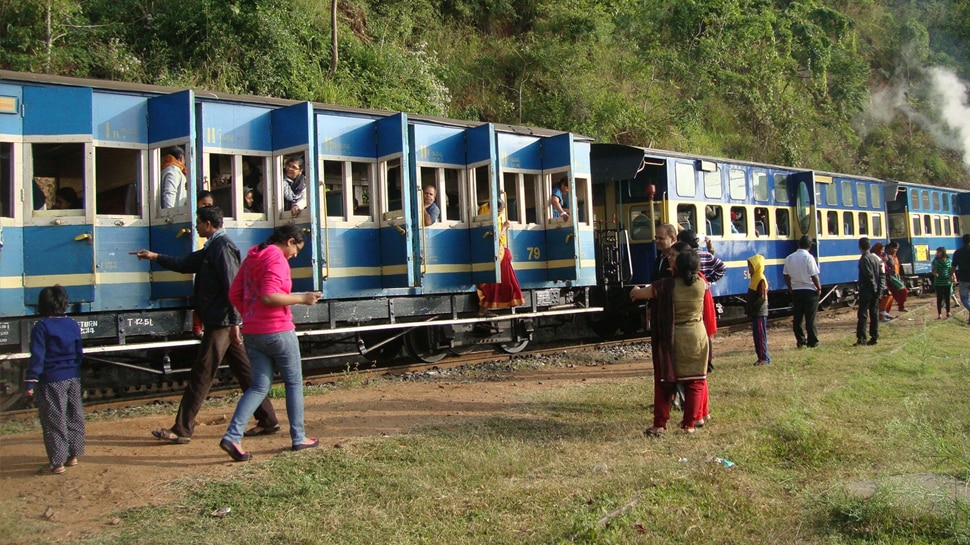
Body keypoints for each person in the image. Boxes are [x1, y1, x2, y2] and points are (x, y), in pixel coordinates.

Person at [132, 206, 279, 444]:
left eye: (199, 223)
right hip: (222, 319)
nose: (197, 227)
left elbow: (232, 287)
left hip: (221, 321)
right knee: (245, 372)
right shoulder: (213, 246)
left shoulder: (222, 248)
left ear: (209, 224)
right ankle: (268, 419)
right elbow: (186, 263)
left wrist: (234, 322)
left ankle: (182, 429)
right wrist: (154, 256)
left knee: (202, 373)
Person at [220, 224, 323, 461]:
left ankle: (232, 436)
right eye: (297, 248)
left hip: (253, 331)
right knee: (294, 383)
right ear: (288, 241)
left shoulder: (253, 255)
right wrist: (302, 298)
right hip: (278, 329)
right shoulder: (277, 259)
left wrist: (251, 315)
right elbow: (269, 295)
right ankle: (299, 438)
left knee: (258, 387)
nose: (296, 254)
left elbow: (234, 294)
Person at [630, 244, 708, 436]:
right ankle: (690, 424)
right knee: (695, 382)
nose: (669, 259)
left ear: (679, 265)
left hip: (672, 340)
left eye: (673, 258)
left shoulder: (666, 285)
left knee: (665, 382)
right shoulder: (701, 284)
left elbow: (638, 294)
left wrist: (636, 289)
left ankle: (659, 424)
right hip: (697, 337)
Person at [24, 285, 85, 474]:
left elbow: (38, 356)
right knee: (74, 415)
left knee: (54, 418)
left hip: (51, 379)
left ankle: (57, 462)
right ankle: (73, 455)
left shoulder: (41, 327)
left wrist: (30, 381)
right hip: (72, 377)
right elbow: (79, 352)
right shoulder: (73, 324)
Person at [477, 198, 523, 317]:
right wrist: (504, 227)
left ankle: (486, 307)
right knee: (492, 281)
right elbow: (494, 236)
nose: (500, 213)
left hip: (499, 249)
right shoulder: (486, 214)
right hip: (494, 250)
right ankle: (484, 308)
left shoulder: (487, 211)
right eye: (498, 211)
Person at [783, 235, 822, 348]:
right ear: (809, 246)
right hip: (809, 290)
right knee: (810, 319)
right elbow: (814, 275)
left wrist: (790, 287)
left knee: (797, 318)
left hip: (796, 290)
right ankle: (813, 342)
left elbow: (785, 274)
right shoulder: (809, 258)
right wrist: (818, 288)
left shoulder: (790, 257)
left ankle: (800, 340)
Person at [855, 237, 884, 346]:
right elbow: (881, 275)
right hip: (875, 291)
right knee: (874, 314)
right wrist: (879, 290)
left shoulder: (864, 259)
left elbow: (869, 276)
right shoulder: (876, 258)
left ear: (860, 247)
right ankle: (874, 336)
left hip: (867, 290)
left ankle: (861, 338)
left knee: (862, 314)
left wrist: (874, 289)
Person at [746, 254, 770, 365]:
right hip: (756, 312)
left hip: (759, 312)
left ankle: (764, 358)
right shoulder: (755, 278)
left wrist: (754, 308)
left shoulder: (760, 279)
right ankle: (761, 357)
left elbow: (762, 297)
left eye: (750, 267)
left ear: (757, 266)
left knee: (760, 336)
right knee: (757, 336)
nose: (749, 269)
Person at [882, 242, 909, 315]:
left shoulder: (894, 256)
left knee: (892, 295)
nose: (896, 250)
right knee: (903, 290)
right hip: (890, 277)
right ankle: (900, 306)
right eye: (895, 248)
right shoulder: (886, 255)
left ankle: (887, 313)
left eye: (897, 249)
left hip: (895, 276)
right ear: (890, 247)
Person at [871, 243, 894, 323]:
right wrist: (883, 261)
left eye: (883, 250)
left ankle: (884, 314)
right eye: (881, 250)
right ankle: (881, 315)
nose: (882, 252)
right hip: (879, 280)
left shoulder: (879, 257)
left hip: (883, 280)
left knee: (888, 296)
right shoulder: (874, 257)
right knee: (886, 296)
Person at [930, 246, 954, 319]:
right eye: (937, 252)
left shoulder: (949, 260)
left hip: (947, 282)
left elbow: (951, 270)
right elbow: (933, 270)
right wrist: (935, 274)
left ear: (943, 252)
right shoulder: (935, 261)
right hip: (938, 282)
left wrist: (952, 276)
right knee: (939, 298)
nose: (937, 253)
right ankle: (939, 314)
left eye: (938, 252)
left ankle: (948, 312)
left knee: (947, 298)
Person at [952, 234, 970, 325]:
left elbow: (953, 266)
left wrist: (951, 275)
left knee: (964, 298)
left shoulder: (958, 252)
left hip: (964, 279)